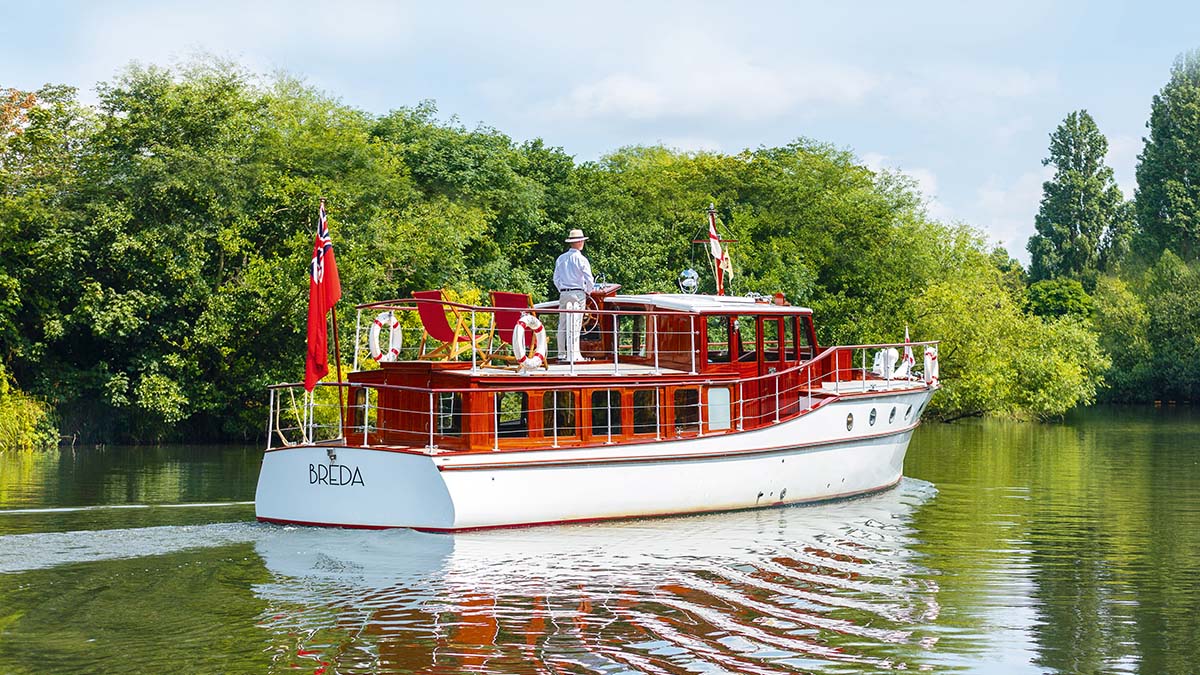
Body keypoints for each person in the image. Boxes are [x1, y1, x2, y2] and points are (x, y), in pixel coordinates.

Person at [553, 228, 595, 363]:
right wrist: (588, 291)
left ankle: (561, 353)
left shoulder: (561, 258)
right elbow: (589, 279)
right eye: (581, 240)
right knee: (576, 324)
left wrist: (562, 289)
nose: (582, 242)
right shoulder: (582, 259)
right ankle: (575, 354)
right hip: (578, 294)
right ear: (578, 243)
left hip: (564, 294)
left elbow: (556, 279)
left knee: (562, 324)